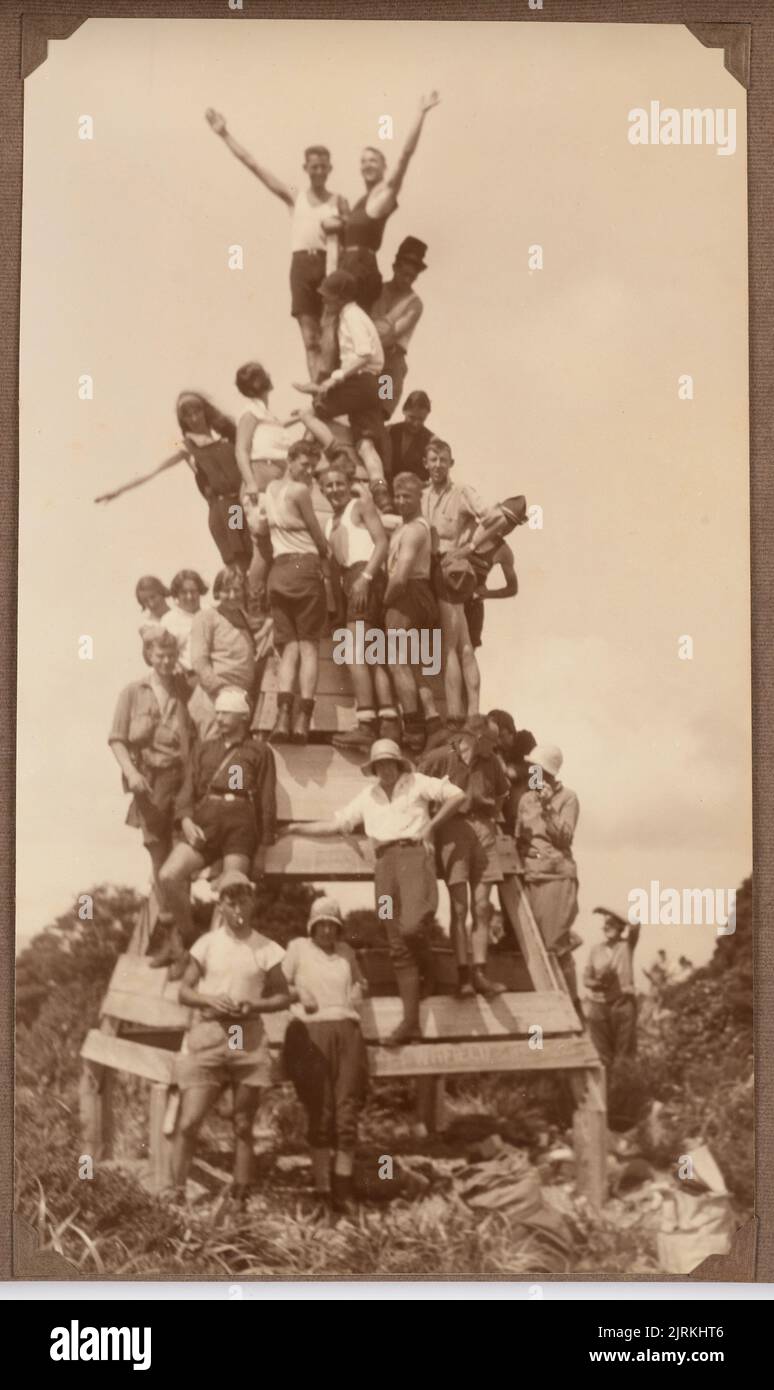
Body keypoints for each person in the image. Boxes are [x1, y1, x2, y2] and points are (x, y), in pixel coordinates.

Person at [286, 739, 465, 1046]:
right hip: (383, 870)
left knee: (412, 925)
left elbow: (457, 795)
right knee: (394, 937)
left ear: (398, 764)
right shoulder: (368, 797)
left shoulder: (417, 783)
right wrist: (294, 829)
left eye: (389, 763)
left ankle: (431, 968)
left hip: (412, 860)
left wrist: (431, 827)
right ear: (374, 768)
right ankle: (410, 1023)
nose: (385, 769)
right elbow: (337, 824)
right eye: (379, 765)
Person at [172, 870, 291, 1205]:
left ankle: (241, 1196)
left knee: (242, 1122)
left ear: (252, 902)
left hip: (245, 1032)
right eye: (229, 899)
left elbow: (283, 996)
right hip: (210, 1031)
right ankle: (175, 1194)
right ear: (220, 905)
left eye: (243, 898)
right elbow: (184, 991)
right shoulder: (207, 944)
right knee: (190, 1120)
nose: (237, 905)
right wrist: (209, 999)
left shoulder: (267, 948)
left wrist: (256, 1003)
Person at [205, 113, 348, 380]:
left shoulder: (339, 201)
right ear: (305, 168)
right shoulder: (296, 196)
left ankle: (331, 391)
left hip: (329, 267)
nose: (318, 171)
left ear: (330, 169)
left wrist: (341, 227)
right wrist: (224, 134)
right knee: (310, 339)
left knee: (332, 335)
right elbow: (255, 166)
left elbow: (352, 239)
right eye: (313, 166)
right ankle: (317, 394)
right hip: (302, 267)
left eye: (323, 167)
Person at [158, 689, 277, 973]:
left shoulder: (259, 751)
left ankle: (206, 964)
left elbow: (266, 801)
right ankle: (189, 937)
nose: (219, 718)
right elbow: (187, 790)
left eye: (226, 713)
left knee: (232, 893)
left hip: (241, 825)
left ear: (243, 717)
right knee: (168, 875)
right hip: (207, 820)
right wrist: (186, 820)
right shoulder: (205, 748)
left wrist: (262, 848)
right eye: (218, 712)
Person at [109, 629, 194, 962]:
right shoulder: (133, 692)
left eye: (171, 655)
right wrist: (131, 773)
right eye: (160, 655)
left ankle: (181, 942)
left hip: (183, 780)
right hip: (150, 782)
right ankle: (172, 933)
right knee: (160, 862)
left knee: (182, 860)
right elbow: (117, 739)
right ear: (148, 656)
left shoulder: (184, 689)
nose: (166, 661)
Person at [96, 394, 253, 572]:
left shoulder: (227, 435)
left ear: (205, 411)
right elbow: (153, 470)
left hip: (247, 501)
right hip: (229, 509)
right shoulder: (186, 446)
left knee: (263, 551)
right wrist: (119, 490)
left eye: (197, 411)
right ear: (183, 420)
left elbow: (260, 434)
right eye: (188, 415)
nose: (194, 418)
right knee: (244, 561)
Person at [281, 897, 369, 1216]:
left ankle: (343, 1190)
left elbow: (358, 984)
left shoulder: (346, 952)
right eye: (322, 923)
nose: (328, 929)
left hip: (348, 1033)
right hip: (311, 1033)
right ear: (312, 925)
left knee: (347, 1114)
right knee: (321, 1113)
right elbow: (277, 985)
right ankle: (321, 1190)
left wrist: (359, 990)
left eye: (333, 924)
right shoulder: (297, 948)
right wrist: (299, 993)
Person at [419, 716, 509, 998]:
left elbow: (503, 792)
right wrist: (429, 824)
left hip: (483, 829)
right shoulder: (441, 758)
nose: (494, 747)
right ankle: (462, 977)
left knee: (482, 907)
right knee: (459, 908)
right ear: (475, 737)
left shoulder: (492, 762)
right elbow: (416, 784)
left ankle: (480, 973)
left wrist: (491, 812)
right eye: (491, 741)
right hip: (452, 829)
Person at [250, 442, 331, 744]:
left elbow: (259, 531)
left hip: (279, 573)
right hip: (305, 568)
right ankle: (303, 719)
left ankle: (282, 716)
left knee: (289, 648)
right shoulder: (300, 492)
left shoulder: (269, 489)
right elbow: (317, 536)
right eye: (304, 465)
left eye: (312, 466)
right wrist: (327, 552)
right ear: (290, 461)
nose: (308, 471)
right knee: (309, 647)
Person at [294, 270, 389, 506]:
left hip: (360, 381)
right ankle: (380, 490)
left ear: (341, 297)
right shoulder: (353, 315)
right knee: (365, 444)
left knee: (311, 412)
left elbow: (364, 353)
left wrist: (334, 379)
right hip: (370, 387)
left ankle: (338, 455)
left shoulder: (351, 316)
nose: (325, 301)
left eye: (329, 296)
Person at [320, 462, 398, 749]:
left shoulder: (360, 506)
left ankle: (366, 723)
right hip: (351, 580)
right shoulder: (331, 522)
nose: (334, 489)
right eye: (328, 485)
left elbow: (381, 543)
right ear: (322, 489)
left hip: (366, 575)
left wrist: (365, 578)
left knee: (354, 653)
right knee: (372, 654)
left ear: (348, 483)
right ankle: (388, 723)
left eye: (339, 483)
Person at [340, 93, 440, 311]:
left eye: (373, 161)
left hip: (361, 270)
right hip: (344, 267)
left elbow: (406, 155)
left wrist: (420, 114)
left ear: (384, 167)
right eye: (363, 161)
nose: (367, 165)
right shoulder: (359, 202)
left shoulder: (384, 195)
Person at [422, 437, 490, 727]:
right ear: (425, 463)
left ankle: (460, 712)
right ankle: (466, 711)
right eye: (433, 460)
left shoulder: (462, 491)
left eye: (443, 460)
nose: (438, 465)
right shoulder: (422, 494)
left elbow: (492, 517)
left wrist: (470, 548)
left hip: (453, 569)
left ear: (451, 463)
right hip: (431, 570)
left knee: (456, 644)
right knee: (457, 643)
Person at [515, 744, 581, 1011]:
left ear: (548, 773)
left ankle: (571, 1005)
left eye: (536, 769)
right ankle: (550, 1008)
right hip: (531, 875)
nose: (531, 772)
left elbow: (565, 837)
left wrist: (548, 809)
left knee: (553, 945)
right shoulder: (524, 799)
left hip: (556, 876)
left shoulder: (568, 798)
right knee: (537, 947)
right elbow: (520, 837)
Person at [383, 471, 444, 753]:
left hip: (408, 594)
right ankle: (432, 720)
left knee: (398, 663)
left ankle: (413, 726)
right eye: (397, 496)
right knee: (416, 663)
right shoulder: (411, 526)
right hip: (422, 596)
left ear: (420, 496)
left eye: (407, 496)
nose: (401, 501)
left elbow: (401, 575)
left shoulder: (415, 530)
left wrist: (385, 602)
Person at [189, 565, 257, 741]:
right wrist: (222, 690)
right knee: (214, 751)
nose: (232, 596)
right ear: (217, 592)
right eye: (226, 590)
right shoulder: (206, 617)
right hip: (214, 698)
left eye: (237, 590)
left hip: (238, 699)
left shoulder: (245, 619)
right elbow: (199, 662)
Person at [370, 237, 427, 418]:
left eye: (412, 276)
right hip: (365, 354)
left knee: (380, 407)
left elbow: (393, 334)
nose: (407, 279)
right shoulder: (377, 289)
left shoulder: (414, 304)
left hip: (389, 361)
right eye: (404, 273)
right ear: (395, 267)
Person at [583, 907, 640, 1072]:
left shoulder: (626, 945)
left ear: (621, 927)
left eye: (612, 924)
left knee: (625, 1053)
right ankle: (606, 1094)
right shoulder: (596, 950)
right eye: (606, 924)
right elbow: (586, 977)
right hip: (599, 1005)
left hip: (622, 1003)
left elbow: (635, 925)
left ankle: (624, 1091)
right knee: (603, 1055)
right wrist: (595, 983)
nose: (608, 927)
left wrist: (609, 911)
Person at [487, 709, 537, 833]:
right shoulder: (493, 747)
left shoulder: (525, 739)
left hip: (528, 796)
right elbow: (455, 747)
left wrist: (512, 771)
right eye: (494, 737)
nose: (498, 741)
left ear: (512, 732)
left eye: (501, 736)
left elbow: (537, 773)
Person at [162, 570, 209, 679]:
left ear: (200, 591)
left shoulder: (210, 612)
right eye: (183, 592)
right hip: (187, 677)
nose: (189, 596)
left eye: (193, 591)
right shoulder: (169, 620)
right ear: (176, 594)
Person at [384, 390, 433, 484]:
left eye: (421, 419)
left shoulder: (431, 441)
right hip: (387, 489)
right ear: (404, 410)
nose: (416, 424)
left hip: (415, 494)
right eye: (412, 417)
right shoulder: (388, 431)